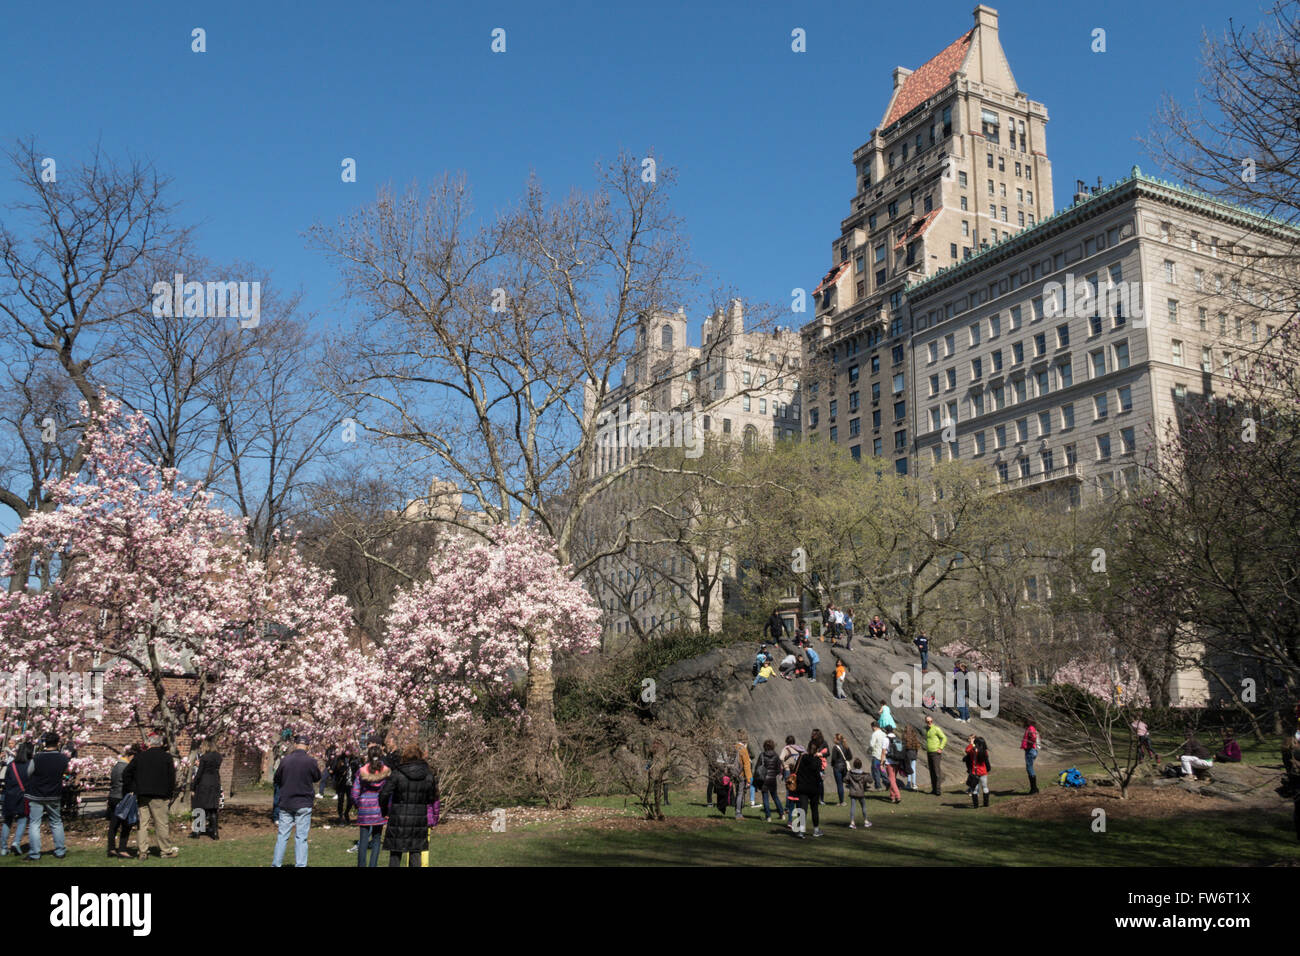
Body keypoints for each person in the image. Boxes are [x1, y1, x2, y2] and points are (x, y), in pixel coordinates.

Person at [379, 743, 439, 867]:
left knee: (395, 853)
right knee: (415, 852)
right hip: (418, 819)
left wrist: (384, 811)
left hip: (398, 817)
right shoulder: (428, 775)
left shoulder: (397, 773)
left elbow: (384, 794)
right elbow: (432, 796)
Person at [123, 731, 178, 860]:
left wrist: (133, 788)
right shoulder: (166, 757)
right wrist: (169, 793)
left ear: (149, 743)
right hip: (160, 795)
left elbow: (126, 773)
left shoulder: (140, 757)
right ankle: (165, 851)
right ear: (161, 744)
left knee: (142, 824)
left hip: (143, 795)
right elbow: (172, 778)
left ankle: (142, 851)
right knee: (161, 823)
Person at [272, 735, 320, 867]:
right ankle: (300, 864)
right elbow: (317, 777)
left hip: (286, 802)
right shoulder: (311, 762)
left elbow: (277, 778)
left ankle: (276, 864)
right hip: (304, 802)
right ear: (307, 746)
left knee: (282, 836)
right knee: (301, 838)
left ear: (295, 745)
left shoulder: (285, 760)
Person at [25, 732, 70, 861]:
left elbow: (29, 772)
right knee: (56, 822)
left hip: (37, 794)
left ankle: (34, 853)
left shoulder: (38, 757)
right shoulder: (62, 758)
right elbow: (67, 772)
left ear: (45, 743)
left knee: (35, 823)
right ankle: (60, 850)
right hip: (54, 794)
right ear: (57, 743)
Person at [351, 745, 390, 867]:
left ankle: (361, 865)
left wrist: (358, 804)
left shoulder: (361, 771)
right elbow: (389, 791)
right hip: (379, 807)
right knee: (377, 840)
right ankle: (373, 865)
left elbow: (354, 792)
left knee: (363, 840)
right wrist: (387, 808)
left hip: (364, 807)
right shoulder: (386, 772)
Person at [2, 740, 32, 857]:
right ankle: (16, 842)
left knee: (7, 820)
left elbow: (7, 781)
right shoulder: (30, 765)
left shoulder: (11, 765)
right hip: (23, 796)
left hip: (10, 795)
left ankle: (3, 848)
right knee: (22, 819)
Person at [106, 744, 136, 857]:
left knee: (113, 824)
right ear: (131, 756)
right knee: (126, 824)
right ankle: (122, 848)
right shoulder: (125, 767)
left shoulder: (117, 765)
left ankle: (111, 848)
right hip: (122, 798)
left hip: (113, 796)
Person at [190, 740, 223, 840]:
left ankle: (197, 831)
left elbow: (199, 773)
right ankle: (215, 832)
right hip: (215, 782)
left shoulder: (204, 757)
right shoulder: (219, 757)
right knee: (213, 808)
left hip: (204, 784)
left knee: (199, 807)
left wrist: (193, 786)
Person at [790, 746, 823, 838]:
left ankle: (801, 831)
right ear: (816, 751)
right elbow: (818, 775)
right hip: (814, 788)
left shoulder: (801, 758)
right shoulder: (817, 761)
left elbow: (796, 771)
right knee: (814, 809)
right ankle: (816, 830)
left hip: (803, 787)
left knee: (803, 809)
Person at [755, 739, 784, 822]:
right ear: (773, 746)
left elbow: (757, 767)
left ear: (765, 746)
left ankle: (768, 817)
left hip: (764, 779)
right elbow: (779, 769)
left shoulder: (762, 755)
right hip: (772, 779)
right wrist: (774, 774)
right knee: (775, 797)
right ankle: (782, 814)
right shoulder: (776, 755)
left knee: (765, 798)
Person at [779, 736, 805, 825]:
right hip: (797, 772)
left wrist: (784, 765)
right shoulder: (799, 749)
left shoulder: (786, 749)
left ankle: (787, 809)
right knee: (796, 792)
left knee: (789, 789)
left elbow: (781, 758)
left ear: (787, 741)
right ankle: (799, 821)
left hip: (788, 771)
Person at [845, 757, 872, 829]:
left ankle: (852, 822)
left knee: (853, 807)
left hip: (853, 792)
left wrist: (849, 782)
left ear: (854, 765)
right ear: (861, 765)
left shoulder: (850, 773)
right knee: (863, 807)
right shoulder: (864, 774)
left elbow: (844, 779)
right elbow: (870, 781)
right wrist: (868, 775)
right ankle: (866, 821)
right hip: (861, 792)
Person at [965, 735, 991, 807]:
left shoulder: (972, 751)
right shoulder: (984, 752)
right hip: (983, 772)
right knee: (985, 787)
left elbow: (967, 750)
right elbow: (987, 762)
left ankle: (976, 805)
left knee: (975, 790)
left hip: (975, 772)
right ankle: (986, 804)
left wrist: (971, 743)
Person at [925, 715, 947, 795]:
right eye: (927, 721)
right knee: (931, 771)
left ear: (932, 721)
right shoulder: (926, 729)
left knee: (936, 771)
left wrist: (940, 748)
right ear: (925, 722)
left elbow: (944, 738)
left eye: (930, 721)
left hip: (936, 753)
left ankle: (938, 790)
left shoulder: (936, 729)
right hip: (929, 752)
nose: (929, 723)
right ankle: (934, 789)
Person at [332, 748, 355, 823]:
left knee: (350, 800)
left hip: (350, 783)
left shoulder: (354, 760)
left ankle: (346, 812)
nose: (348, 753)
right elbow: (335, 769)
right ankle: (340, 815)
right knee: (340, 799)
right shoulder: (340, 759)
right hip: (341, 782)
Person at [733, 732, 752, 819]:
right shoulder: (743, 750)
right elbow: (747, 765)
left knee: (737, 793)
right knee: (740, 793)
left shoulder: (734, 747)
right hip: (741, 774)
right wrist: (749, 779)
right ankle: (738, 813)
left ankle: (737, 811)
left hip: (734, 773)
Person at [830, 734, 853, 805]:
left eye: (835, 738)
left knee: (839, 785)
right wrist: (845, 760)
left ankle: (842, 801)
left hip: (837, 767)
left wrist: (832, 764)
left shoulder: (835, 747)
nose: (834, 739)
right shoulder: (846, 746)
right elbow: (850, 756)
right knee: (845, 782)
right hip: (845, 767)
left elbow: (833, 758)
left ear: (837, 739)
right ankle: (853, 796)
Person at [808, 730, 829, 806]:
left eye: (814, 734)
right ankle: (813, 798)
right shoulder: (811, 742)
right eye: (812, 734)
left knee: (820, 783)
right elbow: (808, 752)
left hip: (820, 766)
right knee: (812, 783)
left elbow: (828, 753)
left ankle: (821, 799)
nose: (812, 735)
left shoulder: (824, 742)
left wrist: (821, 754)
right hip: (812, 764)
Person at [884, 729, 906, 803]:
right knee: (893, 779)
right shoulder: (897, 738)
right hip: (897, 762)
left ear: (886, 731)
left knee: (891, 780)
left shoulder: (886, 739)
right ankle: (892, 797)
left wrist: (881, 763)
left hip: (889, 762)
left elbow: (883, 752)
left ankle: (898, 796)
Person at [868, 721, 888, 790]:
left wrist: (869, 751)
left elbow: (871, 745)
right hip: (883, 756)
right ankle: (887, 782)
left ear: (874, 727)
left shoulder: (875, 734)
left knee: (876, 771)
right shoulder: (884, 734)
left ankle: (878, 786)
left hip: (876, 755)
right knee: (882, 769)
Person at [1021, 721, 1040, 794]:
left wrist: (1030, 742)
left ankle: (1034, 789)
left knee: (1029, 768)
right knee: (1030, 767)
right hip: (1032, 749)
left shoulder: (1030, 728)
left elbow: (1033, 737)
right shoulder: (1033, 728)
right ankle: (1034, 788)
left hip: (1030, 750)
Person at [902, 725, 922, 791]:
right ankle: (914, 784)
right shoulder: (914, 737)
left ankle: (908, 784)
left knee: (909, 769)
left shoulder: (905, 737)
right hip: (914, 754)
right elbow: (917, 746)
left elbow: (903, 747)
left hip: (907, 755)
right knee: (913, 769)